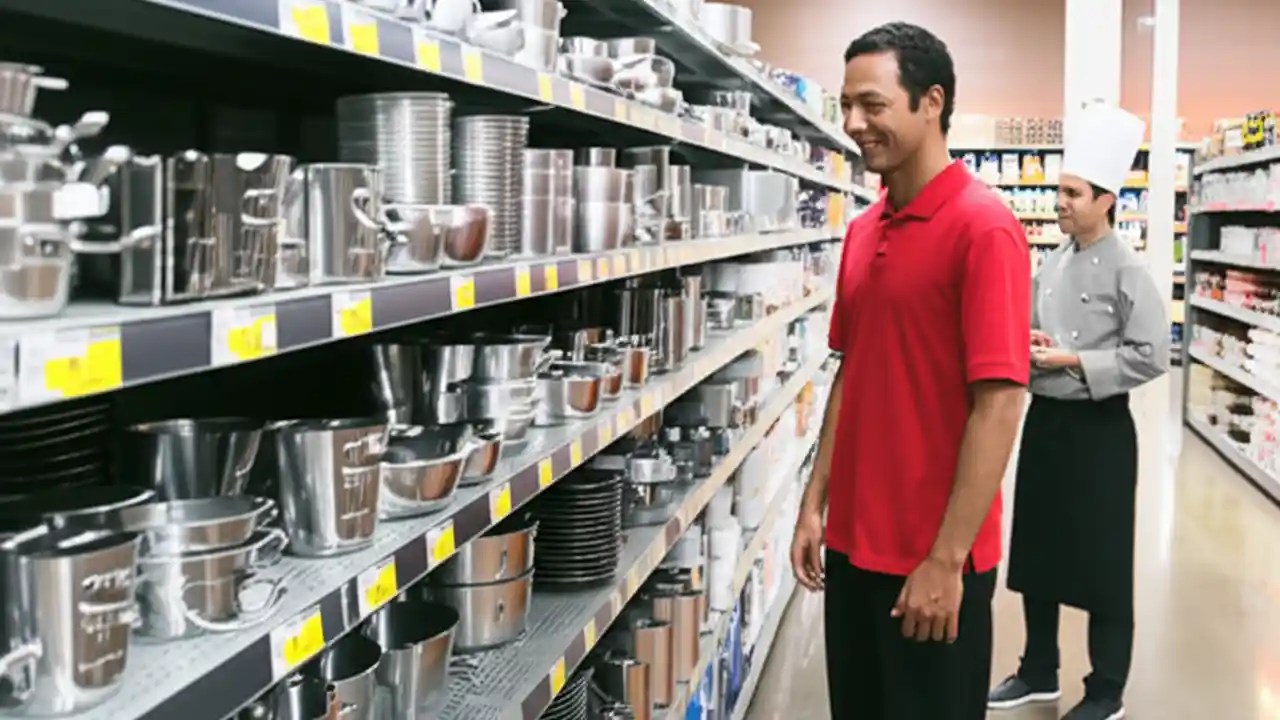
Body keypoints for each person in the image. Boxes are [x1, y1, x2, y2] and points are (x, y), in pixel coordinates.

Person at [789, 22, 1030, 720]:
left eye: (873, 105)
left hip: (930, 564)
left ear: (931, 102)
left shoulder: (984, 229)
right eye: (846, 106)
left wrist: (945, 560)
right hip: (854, 551)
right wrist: (815, 503)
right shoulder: (865, 231)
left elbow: (1000, 404)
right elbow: (850, 374)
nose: (854, 124)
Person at [987, 103, 1169, 720]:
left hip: (1100, 430)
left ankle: (1106, 691)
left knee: (1103, 561)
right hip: (1048, 423)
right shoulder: (1056, 258)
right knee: (1037, 549)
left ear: (1106, 199)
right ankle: (1038, 670)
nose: (1058, 201)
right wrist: (1033, 344)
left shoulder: (1129, 268)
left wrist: (1075, 360)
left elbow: (1152, 354)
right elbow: (1038, 326)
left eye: (1070, 193)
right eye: (1058, 190)